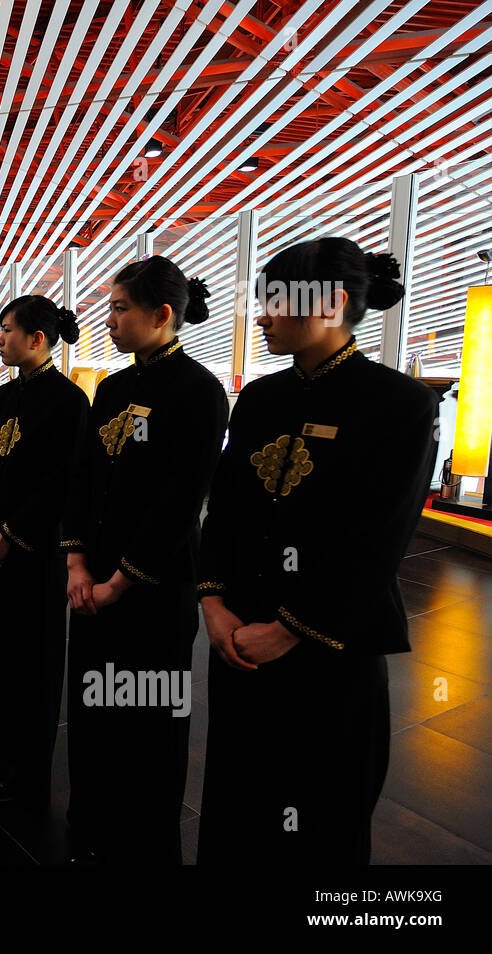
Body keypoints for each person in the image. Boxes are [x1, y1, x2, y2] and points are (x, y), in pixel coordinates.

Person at [196, 237, 439, 865]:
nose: (263, 315)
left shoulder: (401, 404)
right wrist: (214, 604)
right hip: (239, 637)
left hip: (333, 649)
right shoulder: (260, 399)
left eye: (274, 300)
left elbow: (377, 543)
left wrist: (291, 630)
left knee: (320, 817)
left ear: (329, 303)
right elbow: (223, 511)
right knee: (235, 802)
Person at [61, 256, 228, 864]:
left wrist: (121, 582)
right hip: (93, 581)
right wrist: (78, 564)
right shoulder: (111, 386)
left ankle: (146, 843)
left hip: (154, 589)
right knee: (91, 713)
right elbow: (82, 480)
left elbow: (179, 504)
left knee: (150, 722)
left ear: (161, 315)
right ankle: (93, 827)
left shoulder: (199, 391)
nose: (108, 319)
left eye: (119, 307)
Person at [0, 295, 88, 806]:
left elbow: (61, 485)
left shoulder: (68, 401)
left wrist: (9, 535)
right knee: (2, 652)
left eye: (8, 330)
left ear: (37, 339)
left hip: (36, 553)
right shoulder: (7, 396)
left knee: (35, 662)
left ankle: (29, 768)